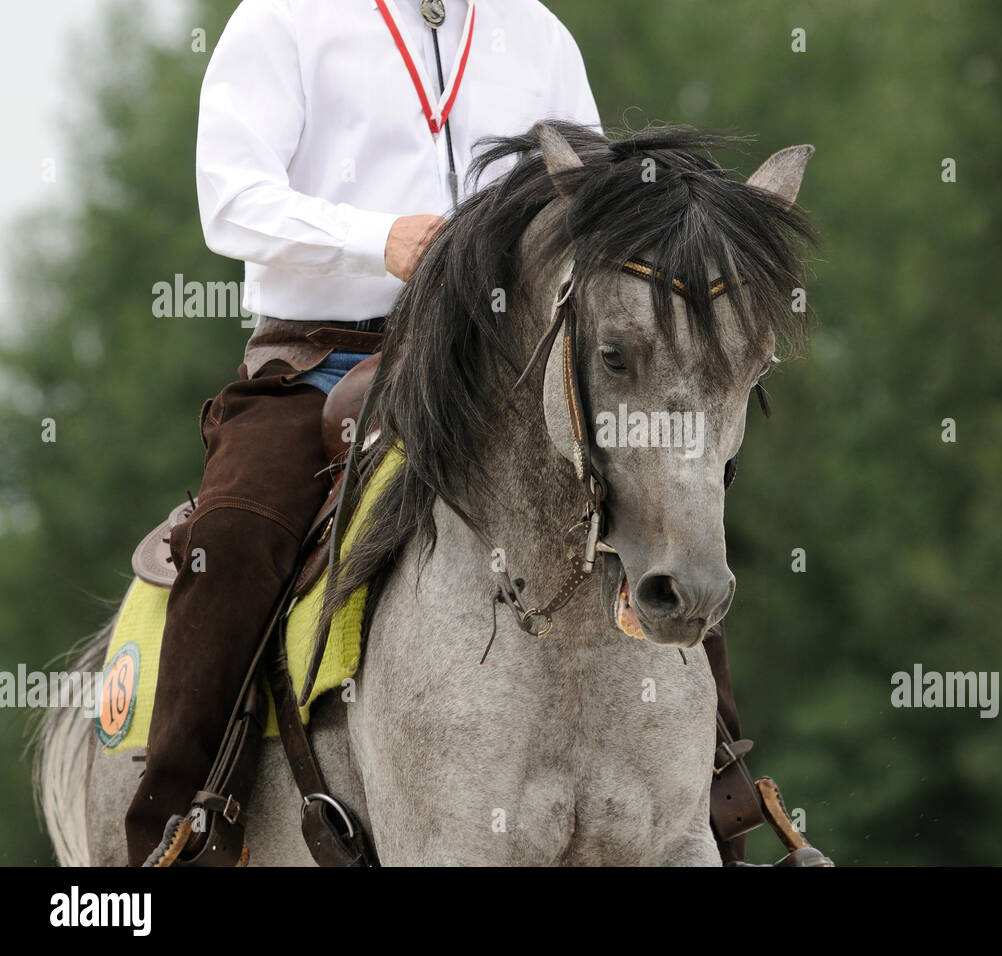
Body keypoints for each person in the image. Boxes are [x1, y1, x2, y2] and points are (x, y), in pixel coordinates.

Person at [127, 0, 753, 866]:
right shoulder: (282, 18)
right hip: (323, 363)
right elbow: (228, 200)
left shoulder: (537, 32)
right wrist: (376, 238)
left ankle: (726, 796)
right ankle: (179, 831)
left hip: (509, 373)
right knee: (233, 538)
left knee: (668, 503)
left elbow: (607, 223)